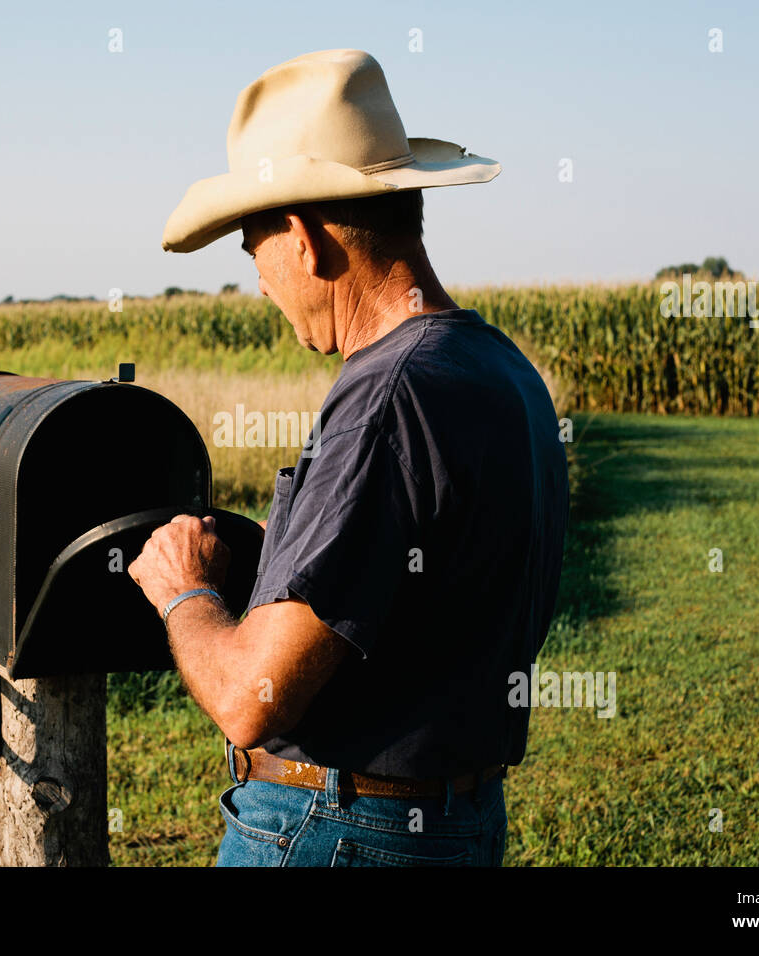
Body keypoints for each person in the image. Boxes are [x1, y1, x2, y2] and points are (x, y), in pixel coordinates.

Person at [128, 48, 569, 867]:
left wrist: (180, 587)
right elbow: (423, 586)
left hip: (336, 830)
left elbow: (245, 698)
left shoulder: (386, 398)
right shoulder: (497, 368)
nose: (258, 283)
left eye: (251, 246)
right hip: (457, 825)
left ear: (301, 239)